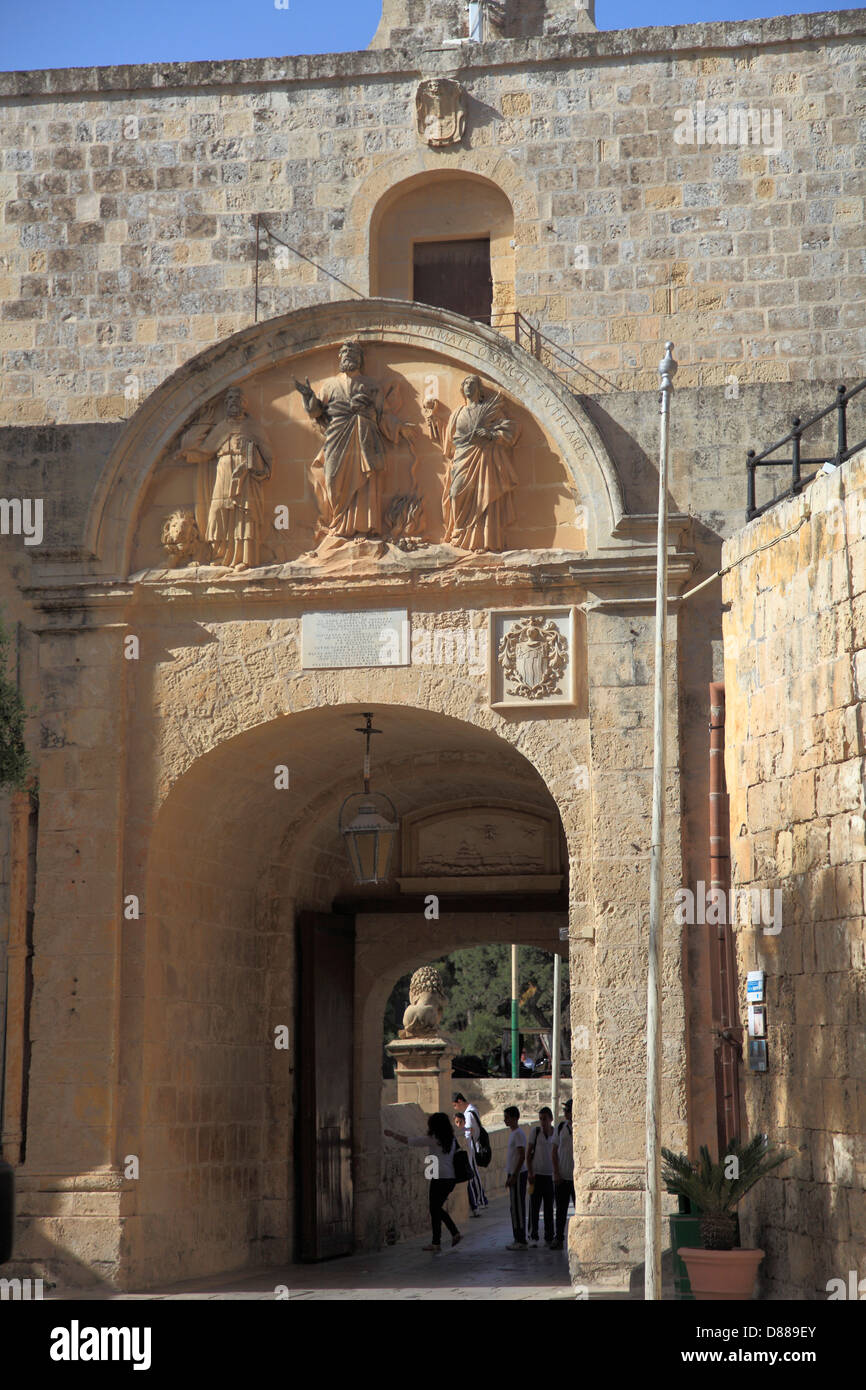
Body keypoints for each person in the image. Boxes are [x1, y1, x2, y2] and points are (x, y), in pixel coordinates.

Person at [182, 386, 273, 570]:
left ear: (244, 403)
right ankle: (221, 555)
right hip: (224, 469)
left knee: (245, 513)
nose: (233, 402)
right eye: (229, 399)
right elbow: (205, 450)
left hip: (245, 473)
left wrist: (265, 470)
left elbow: (267, 452)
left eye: (237, 398)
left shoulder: (252, 427)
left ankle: (245, 559)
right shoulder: (222, 427)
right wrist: (198, 431)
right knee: (218, 511)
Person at [442, 374, 518, 553]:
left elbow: (511, 429)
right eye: (466, 383)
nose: (468, 386)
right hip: (462, 458)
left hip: (484, 458)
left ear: (479, 389)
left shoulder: (489, 410)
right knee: (455, 493)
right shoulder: (457, 413)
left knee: (483, 496)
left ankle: (482, 541)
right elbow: (449, 444)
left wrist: (491, 435)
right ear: (462, 389)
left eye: (472, 383)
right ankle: (459, 533)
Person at [383, 1112, 463, 1253]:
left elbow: (412, 1141)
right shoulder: (451, 1139)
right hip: (451, 1178)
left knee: (435, 1208)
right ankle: (439, 1241)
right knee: (436, 1208)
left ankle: (451, 1234)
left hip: (438, 1177)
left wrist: (393, 1135)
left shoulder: (433, 1139)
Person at [453, 1092, 488, 1217]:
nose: (455, 1108)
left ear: (460, 1101)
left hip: (470, 1147)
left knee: (473, 1175)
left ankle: (480, 1200)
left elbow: (468, 1132)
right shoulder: (473, 1109)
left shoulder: (468, 1114)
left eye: (455, 1105)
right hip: (472, 1146)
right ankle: (481, 1199)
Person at [527, 1106, 556, 1248]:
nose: (542, 1122)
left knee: (549, 1209)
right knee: (534, 1207)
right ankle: (533, 1236)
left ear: (551, 1119)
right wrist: (530, 1172)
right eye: (540, 1119)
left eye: (545, 1119)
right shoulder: (535, 1132)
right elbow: (528, 1154)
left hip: (550, 1176)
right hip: (537, 1175)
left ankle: (549, 1236)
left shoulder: (555, 1133)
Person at [503, 1105, 528, 1250]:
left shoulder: (518, 1134)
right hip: (513, 1174)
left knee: (518, 1208)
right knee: (514, 1207)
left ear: (514, 1118)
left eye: (507, 1117)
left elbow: (521, 1156)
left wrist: (514, 1175)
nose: (505, 1120)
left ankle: (521, 1239)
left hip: (517, 1175)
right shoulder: (513, 1133)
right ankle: (517, 1237)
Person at [551, 1098, 575, 1251]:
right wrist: (556, 1173)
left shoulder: (582, 1128)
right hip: (562, 1176)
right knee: (560, 1210)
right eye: (565, 1110)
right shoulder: (561, 1127)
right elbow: (554, 1151)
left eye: (568, 1110)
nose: (565, 1113)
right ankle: (558, 1238)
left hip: (576, 1178)